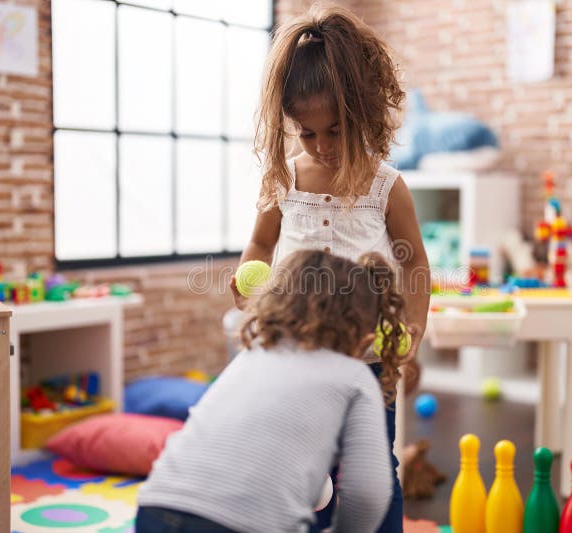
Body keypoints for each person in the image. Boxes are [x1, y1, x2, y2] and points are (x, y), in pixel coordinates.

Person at [231, 5, 430, 531]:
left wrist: (411, 329)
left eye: (337, 131)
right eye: (308, 133)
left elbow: (414, 266)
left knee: (368, 466)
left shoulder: (386, 187)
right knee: (299, 465)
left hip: (366, 357)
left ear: (363, 115)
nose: (322, 146)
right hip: (295, 351)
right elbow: (259, 243)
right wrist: (250, 281)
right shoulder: (282, 179)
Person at [137, 250, 406, 533]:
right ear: (366, 339)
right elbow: (367, 492)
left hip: (156, 507)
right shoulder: (356, 377)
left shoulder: (253, 353)